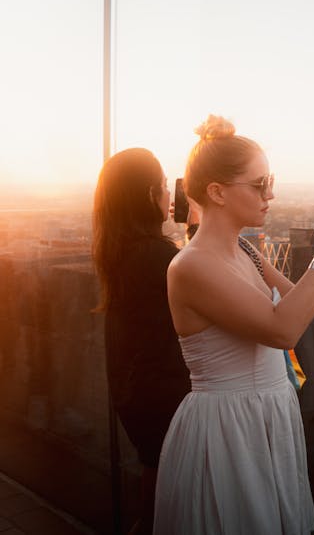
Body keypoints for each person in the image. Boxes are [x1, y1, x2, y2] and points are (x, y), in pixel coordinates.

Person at [153, 115, 314, 534]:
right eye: (260, 184)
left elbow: (303, 305)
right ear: (217, 192)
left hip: (267, 418)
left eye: (270, 182)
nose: (271, 194)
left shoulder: (245, 251)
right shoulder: (190, 267)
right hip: (228, 431)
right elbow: (283, 330)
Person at [92, 147, 193, 534]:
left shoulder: (120, 253)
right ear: (150, 195)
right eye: (165, 186)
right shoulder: (159, 257)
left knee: (155, 497)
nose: (169, 195)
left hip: (137, 395)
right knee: (168, 509)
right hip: (166, 398)